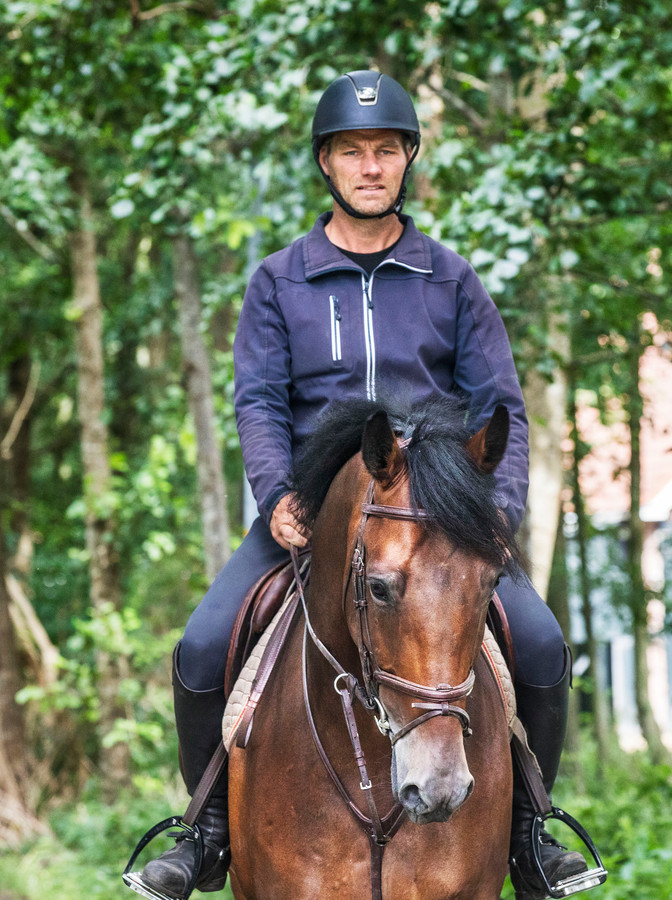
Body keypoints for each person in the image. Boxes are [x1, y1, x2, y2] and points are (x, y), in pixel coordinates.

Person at [136, 70, 593, 900]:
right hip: (316, 517)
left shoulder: (451, 280)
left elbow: (504, 410)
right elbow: (260, 400)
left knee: (546, 647)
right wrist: (278, 495)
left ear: (408, 159)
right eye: (353, 151)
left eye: (386, 150)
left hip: (442, 524)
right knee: (203, 650)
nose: (371, 165)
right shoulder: (280, 281)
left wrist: (497, 514)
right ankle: (205, 833)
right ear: (327, 164)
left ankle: (531, 831)